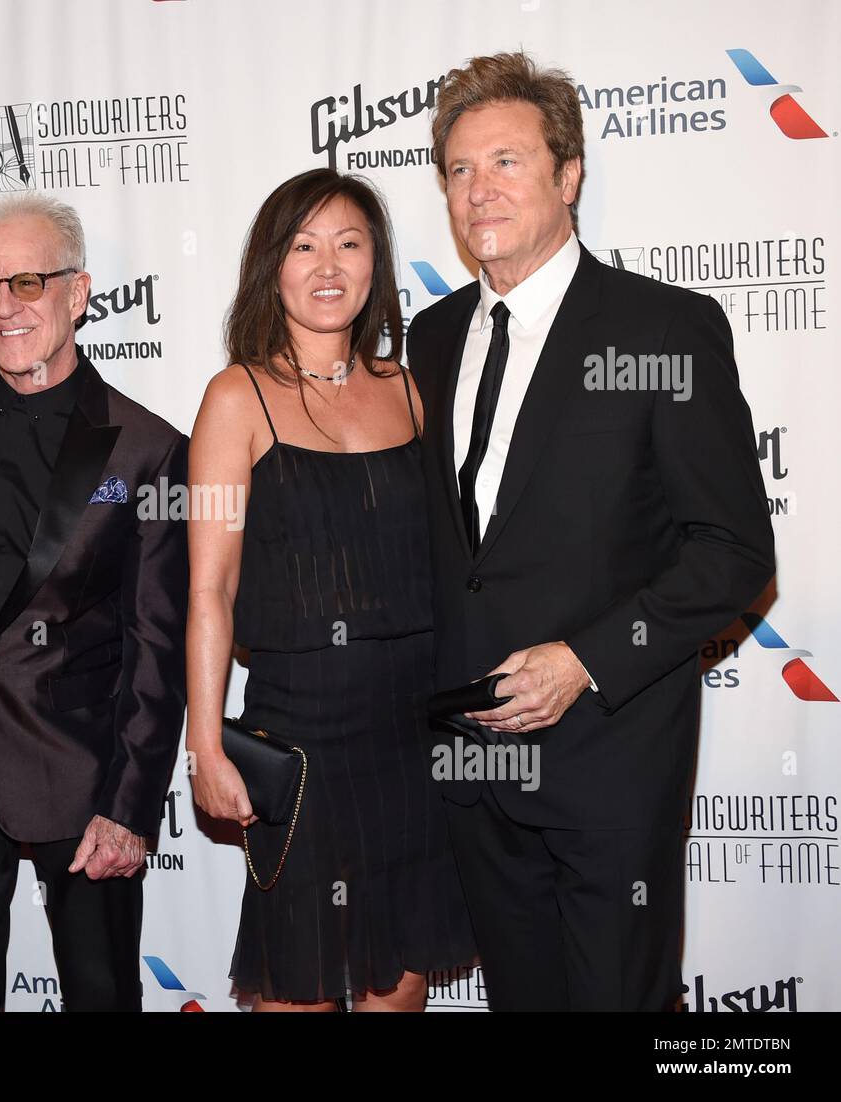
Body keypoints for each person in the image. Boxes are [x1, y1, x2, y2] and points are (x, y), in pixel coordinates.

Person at [407, 51, 776, 1011]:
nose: (478, 190)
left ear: (569, 177)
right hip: (475, 768)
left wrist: (584, 658)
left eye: (507, 162)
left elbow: (733, 552)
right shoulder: (433, 338)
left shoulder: (663, 330)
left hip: (609, 765)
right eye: (458, 169)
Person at [187, 167, 476, 1012]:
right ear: (271, 266)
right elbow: (210, 587)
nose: (327, 265)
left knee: (399, 988)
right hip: (303, 737)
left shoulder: (411, 392)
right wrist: (205, 743)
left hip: (413, 734)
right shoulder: (235, 398)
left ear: (375, 265)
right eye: (304, 245)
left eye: (349, 243)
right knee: (301, 989)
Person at [0, 193, 188, 1012]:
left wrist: (128, 808)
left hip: (80, 772)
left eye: (26, 281)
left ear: (79, 292)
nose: (4, 307)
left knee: (100, 993)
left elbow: (157, 643)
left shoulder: (147, 448)